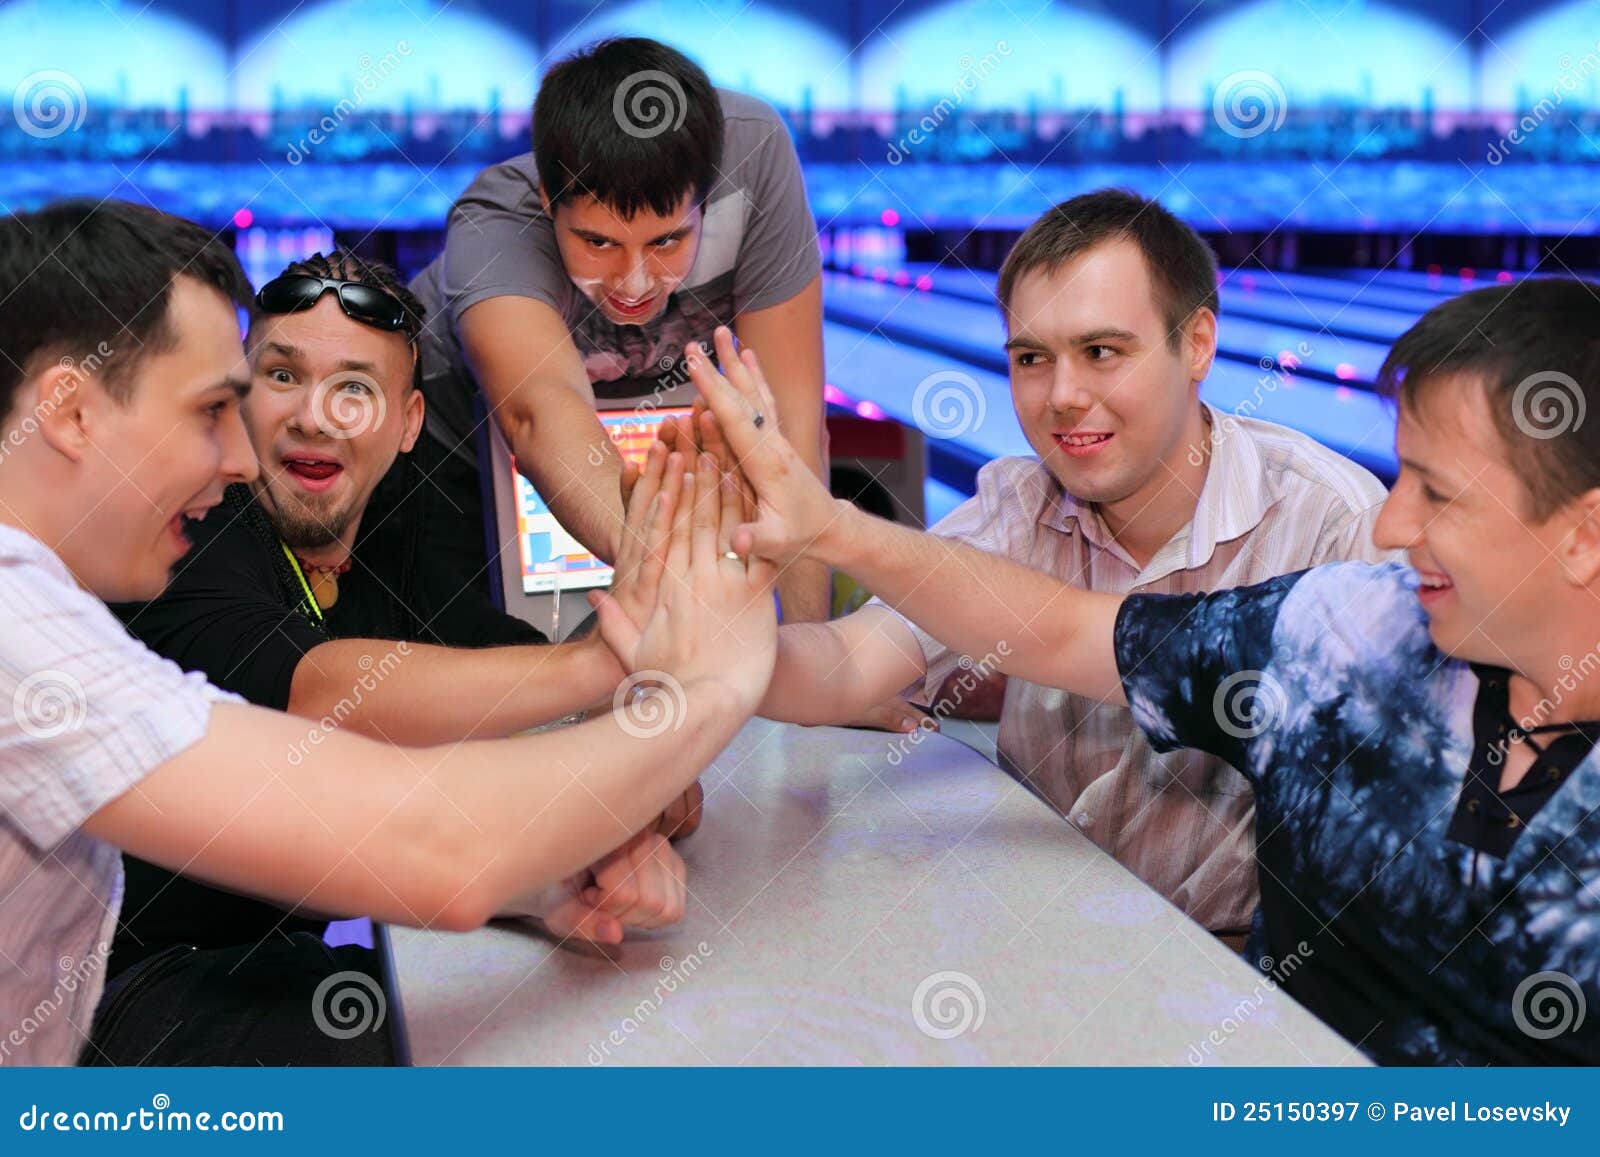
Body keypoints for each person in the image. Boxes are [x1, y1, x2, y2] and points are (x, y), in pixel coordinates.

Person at [674, 276, 1600, 1064]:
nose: (1393, 525)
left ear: (1582, 534)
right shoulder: (1349, 626)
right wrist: (824, 537)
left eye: (1437, 493)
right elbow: (1064, 630)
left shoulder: (1328, 526)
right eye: (1032, 355)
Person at [0, 199, 775, 1067]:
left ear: (406, 421)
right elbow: (424, 836)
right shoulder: (27, 625)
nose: (242, 453)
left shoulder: (377, 532)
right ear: (68, 415)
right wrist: (699, 686)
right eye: (220, 406)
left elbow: (327, 809)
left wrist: (558, 866)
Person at [668, 190, 1393, 942]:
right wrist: (702, 617)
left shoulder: (1330, 524)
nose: (1063, 397)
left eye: (1102, 352)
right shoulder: (1020, 502)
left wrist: (830, 531)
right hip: (1035, 942)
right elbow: (847, 662)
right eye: (1031, 358)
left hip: (1238, 972)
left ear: (1199, 343)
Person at [407, 35, 829, 622]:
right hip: (446, 464)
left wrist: (813, 655)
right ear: (551, 199)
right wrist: (687, 588)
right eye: (597, 242)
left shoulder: (753, 161)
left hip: (630, 462)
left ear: (706, 199)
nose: (634, 285)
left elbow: (791, 431)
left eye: (667, 240)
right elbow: (540, 414)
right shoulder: (497, 222)